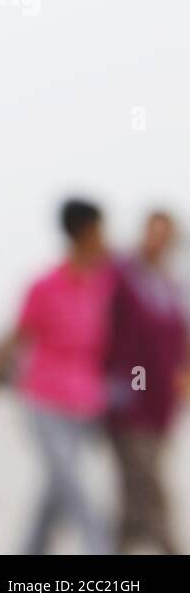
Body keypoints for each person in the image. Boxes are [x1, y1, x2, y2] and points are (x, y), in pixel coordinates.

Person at [2, 199, 115, 554]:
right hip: (45, 401)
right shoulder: (45, 284)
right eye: (99, 230)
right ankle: (101, 547)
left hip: (85, 403)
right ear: (83, 232)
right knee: (73, 484)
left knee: (56, 487)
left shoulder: (105, 286)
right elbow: (17, 337)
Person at [106, 211, 187, 553]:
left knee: (136, 480)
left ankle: (122, 543)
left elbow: (178, 342)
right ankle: (168, 543)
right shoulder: (121, 275)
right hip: (129, 396)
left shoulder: (170, 285)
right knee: (145, 475)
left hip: (161, 400)